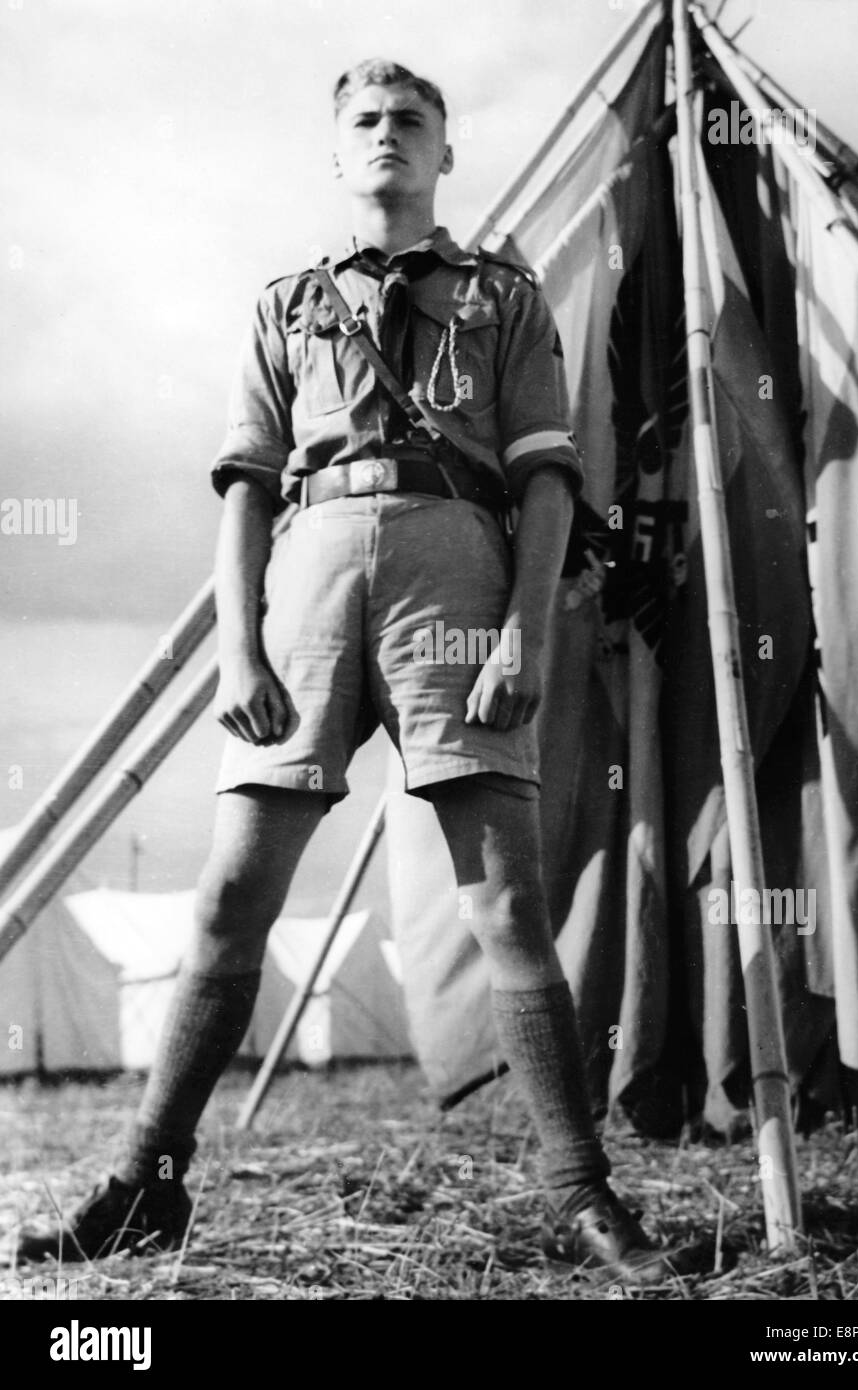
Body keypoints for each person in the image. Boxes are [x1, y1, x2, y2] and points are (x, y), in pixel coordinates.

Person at [16, 58, 674, 1284]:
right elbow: (246, 490)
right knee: (228, 898)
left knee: (505, 905)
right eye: (364, 122)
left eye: (410, 121)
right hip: (310, 582)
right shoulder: (285, 305)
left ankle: (583, 1195)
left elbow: (544, 479)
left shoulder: (504, 299)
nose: (387, 136)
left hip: (454, 583)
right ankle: (146, 1183)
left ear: (443, 154)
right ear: (337, 156)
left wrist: (525, 630)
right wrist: (244, 646)